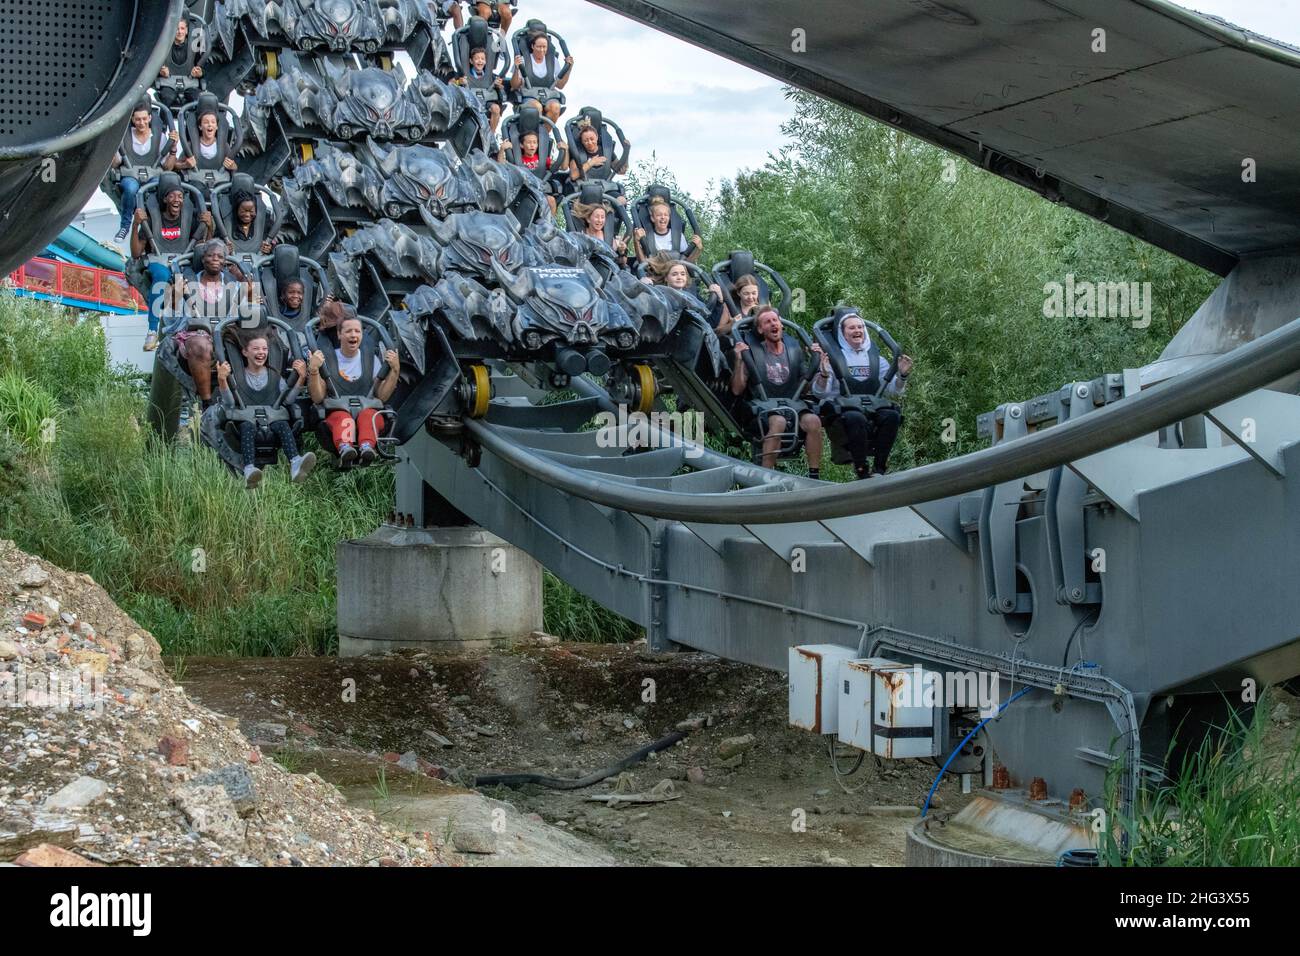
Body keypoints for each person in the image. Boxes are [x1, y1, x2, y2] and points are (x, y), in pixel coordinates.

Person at [812, 309, 914, 478]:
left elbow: (894, 390)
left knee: (892, 416)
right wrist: (823, 374)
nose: (857, 330)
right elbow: (820, 393)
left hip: (870, 406)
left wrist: (902, 375)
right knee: (855, 418)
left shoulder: (876, 359)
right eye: (851, 328)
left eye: (860, 327)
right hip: (843, 410)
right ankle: (861, 469)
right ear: (842, 333)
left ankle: (880, 468)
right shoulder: (833, 358)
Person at [730, 306, 826, 477]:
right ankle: (767, 476)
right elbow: (737, 390)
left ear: (781, 325)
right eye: (767, 322)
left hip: (792, 402)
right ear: (760, 329)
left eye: (775, 320)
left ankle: (814, 474)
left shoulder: (794, 349)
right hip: (762, 405)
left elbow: (804, 388)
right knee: (779, 422)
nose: (773, 324)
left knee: (814, 422)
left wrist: (819, 369)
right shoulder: (751, 351)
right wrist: (739, 361)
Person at [216, 333, 316, 488]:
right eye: (256, 349)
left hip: (273, 420)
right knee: (247, 427)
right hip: (247, 422)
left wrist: (301, 378)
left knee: (282, 425)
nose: (261, 352)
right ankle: (249, 469)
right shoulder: (237, 376)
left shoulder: (274, 376)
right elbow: (229, 401)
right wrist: (222, 380)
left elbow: (287, 400)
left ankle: (295, 462)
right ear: (245, 352)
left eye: (264, 348)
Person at [307, 311, 400, 467]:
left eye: (357, 331)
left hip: (367, 411)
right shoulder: (327, 359)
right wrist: (314, 370)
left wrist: (395, 370)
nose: (353, 335)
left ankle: (367, 448)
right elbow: (317, 398)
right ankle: (345, 448)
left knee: (369, 417)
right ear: (339, 334)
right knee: (345, 420)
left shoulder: (370, 359)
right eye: (348, 331)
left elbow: (382, 396)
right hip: (338, 412)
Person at [130, 180, 213, 351]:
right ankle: (152, 330)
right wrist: (136, 224)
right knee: (161, 277)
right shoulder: (153, 219)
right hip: (159, 260)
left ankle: (201, 322)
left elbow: (205, 247)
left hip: (183, 259)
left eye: (181, 196)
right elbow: (136, 253)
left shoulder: (188, 218)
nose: (177, 200)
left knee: (193, 280)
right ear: (165, 199)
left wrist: (209, 227)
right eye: (173, 196)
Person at [174, 240, 255, 407]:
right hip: (198, 332)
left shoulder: (234, 284)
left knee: (256, 342)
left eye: (220, 256)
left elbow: (248, 312)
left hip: (227, 330)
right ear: (203, 259)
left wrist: (251, 296)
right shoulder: (189, 281)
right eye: (210, 255)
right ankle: (206, 402)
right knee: (200, 344)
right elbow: (173, 317)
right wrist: (176, 295)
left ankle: (249, 396)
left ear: (225, 261)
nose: (215, 259)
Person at [110, 102, 179, 242]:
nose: (141, 123)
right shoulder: (125, 136)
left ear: (149, 118)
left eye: (144, 119)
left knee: (159, 190)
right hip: (131, 175)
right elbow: (116, 163)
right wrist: (111, 147)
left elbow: (167, 167)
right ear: (132, 120)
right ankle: (125, 226)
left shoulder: (159, 137)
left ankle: (159, 226)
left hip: (153, 175)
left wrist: (173, 149)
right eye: (137, 119)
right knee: (130, 188)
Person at [643, 252, 732, 334]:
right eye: (674, 274)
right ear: (666, 277)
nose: (679, 277)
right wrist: (643, 286)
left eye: (682, 274)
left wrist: (719, 302)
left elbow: (709, 323)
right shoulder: (658, 294)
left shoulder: (692, 298)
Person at [510, 33, 572, 124]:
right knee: (537, 107)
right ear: (532, 46)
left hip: (548, 95)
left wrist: (569, 68)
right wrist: (516, 68)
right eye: (539, 47)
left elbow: (560, 85)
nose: (542, 50)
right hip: (529, 96)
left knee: (555, 107)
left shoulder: (553, 60)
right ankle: (534, 134)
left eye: (544, 47)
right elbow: (514, 85)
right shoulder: (523, 59)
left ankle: (545, 135)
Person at [453, 46, 506, 132]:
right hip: (470, 103)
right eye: (477, 58)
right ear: (471, 61)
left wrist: (498, 85)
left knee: (496, 108)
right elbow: (450, 84)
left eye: (482, 59)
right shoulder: (464, 74)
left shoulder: (490, 76)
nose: (480, 61)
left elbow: (502, 88)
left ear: (485, 61)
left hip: (486, 102)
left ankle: (491, 134)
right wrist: (459, 82)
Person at [635, 196, 701, 262]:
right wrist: (636, 241)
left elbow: (686, 262)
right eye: (659, 215)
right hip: (653, 269)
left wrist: (698, 250)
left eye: (666, 215)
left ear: (669, 217)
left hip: (675, 269)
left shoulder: (678, 236)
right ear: (652, 218)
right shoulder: (646, 236)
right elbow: (642, 262)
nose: (663, 217)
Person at [155, 18, 203, 108]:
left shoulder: (195, 47)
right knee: (167, 98)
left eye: (182, 28)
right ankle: (165, 120)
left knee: (198, 99)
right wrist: (160, 72)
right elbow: (153, 67)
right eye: (177, 29)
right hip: (168, 83)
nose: (179, 32)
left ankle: (192, 121)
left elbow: (202, 68)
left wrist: (200, 73)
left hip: (190, 83)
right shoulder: (163, 47)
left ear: (186, 31)